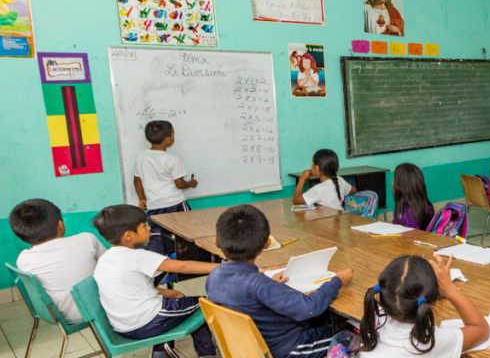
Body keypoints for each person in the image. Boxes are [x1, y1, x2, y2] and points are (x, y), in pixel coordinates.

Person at [206, 205, 354, 358]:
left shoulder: (214, 276)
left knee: (325, 317)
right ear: (266, 243)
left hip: (251, 347)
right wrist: (337, 281)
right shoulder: (261, 285)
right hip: (290, 349)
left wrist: (271, 284)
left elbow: (246, 296)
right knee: (351, 332)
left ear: (216, 241)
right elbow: (309, 307)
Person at [92, 205, 218, 358]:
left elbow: (132, 288)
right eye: (144, 226)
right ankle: (207, 355)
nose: (149, 229)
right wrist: (224, 266)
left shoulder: (105, 260)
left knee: (185, 302)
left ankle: (160, 353)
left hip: (124, 327)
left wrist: (168, 292)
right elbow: (184, 266)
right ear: (128, 236)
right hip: (149, 322)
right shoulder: (137, 256)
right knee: (203, 305)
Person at [359, 255, 489, 357]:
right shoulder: (429, 342)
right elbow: (481, 329)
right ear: (433, 301)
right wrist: (450, 289)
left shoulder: (374, 318)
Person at [9, 199, 106, 324]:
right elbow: (113, 266)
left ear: (21, 235)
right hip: (99, 310)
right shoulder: (86, 239)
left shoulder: (23, 259)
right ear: (60, 225)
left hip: (59, 317)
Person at [133, 120, 197, 257]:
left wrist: (142, 198)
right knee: (186, 235)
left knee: (158, 238)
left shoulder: (142, 157)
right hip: (176, 204)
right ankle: (184, 262)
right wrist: (191, 184)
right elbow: (179, 184)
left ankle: (163, 267)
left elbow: (137, 180)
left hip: (155, 205)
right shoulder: (172, 159)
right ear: (168, 139)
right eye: (173, 134)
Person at [393, 163, 434, 230]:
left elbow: (412, 236)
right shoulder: (402, 206)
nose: (392, 183)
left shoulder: (412, 214)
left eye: (394, 180)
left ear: (401, 187)